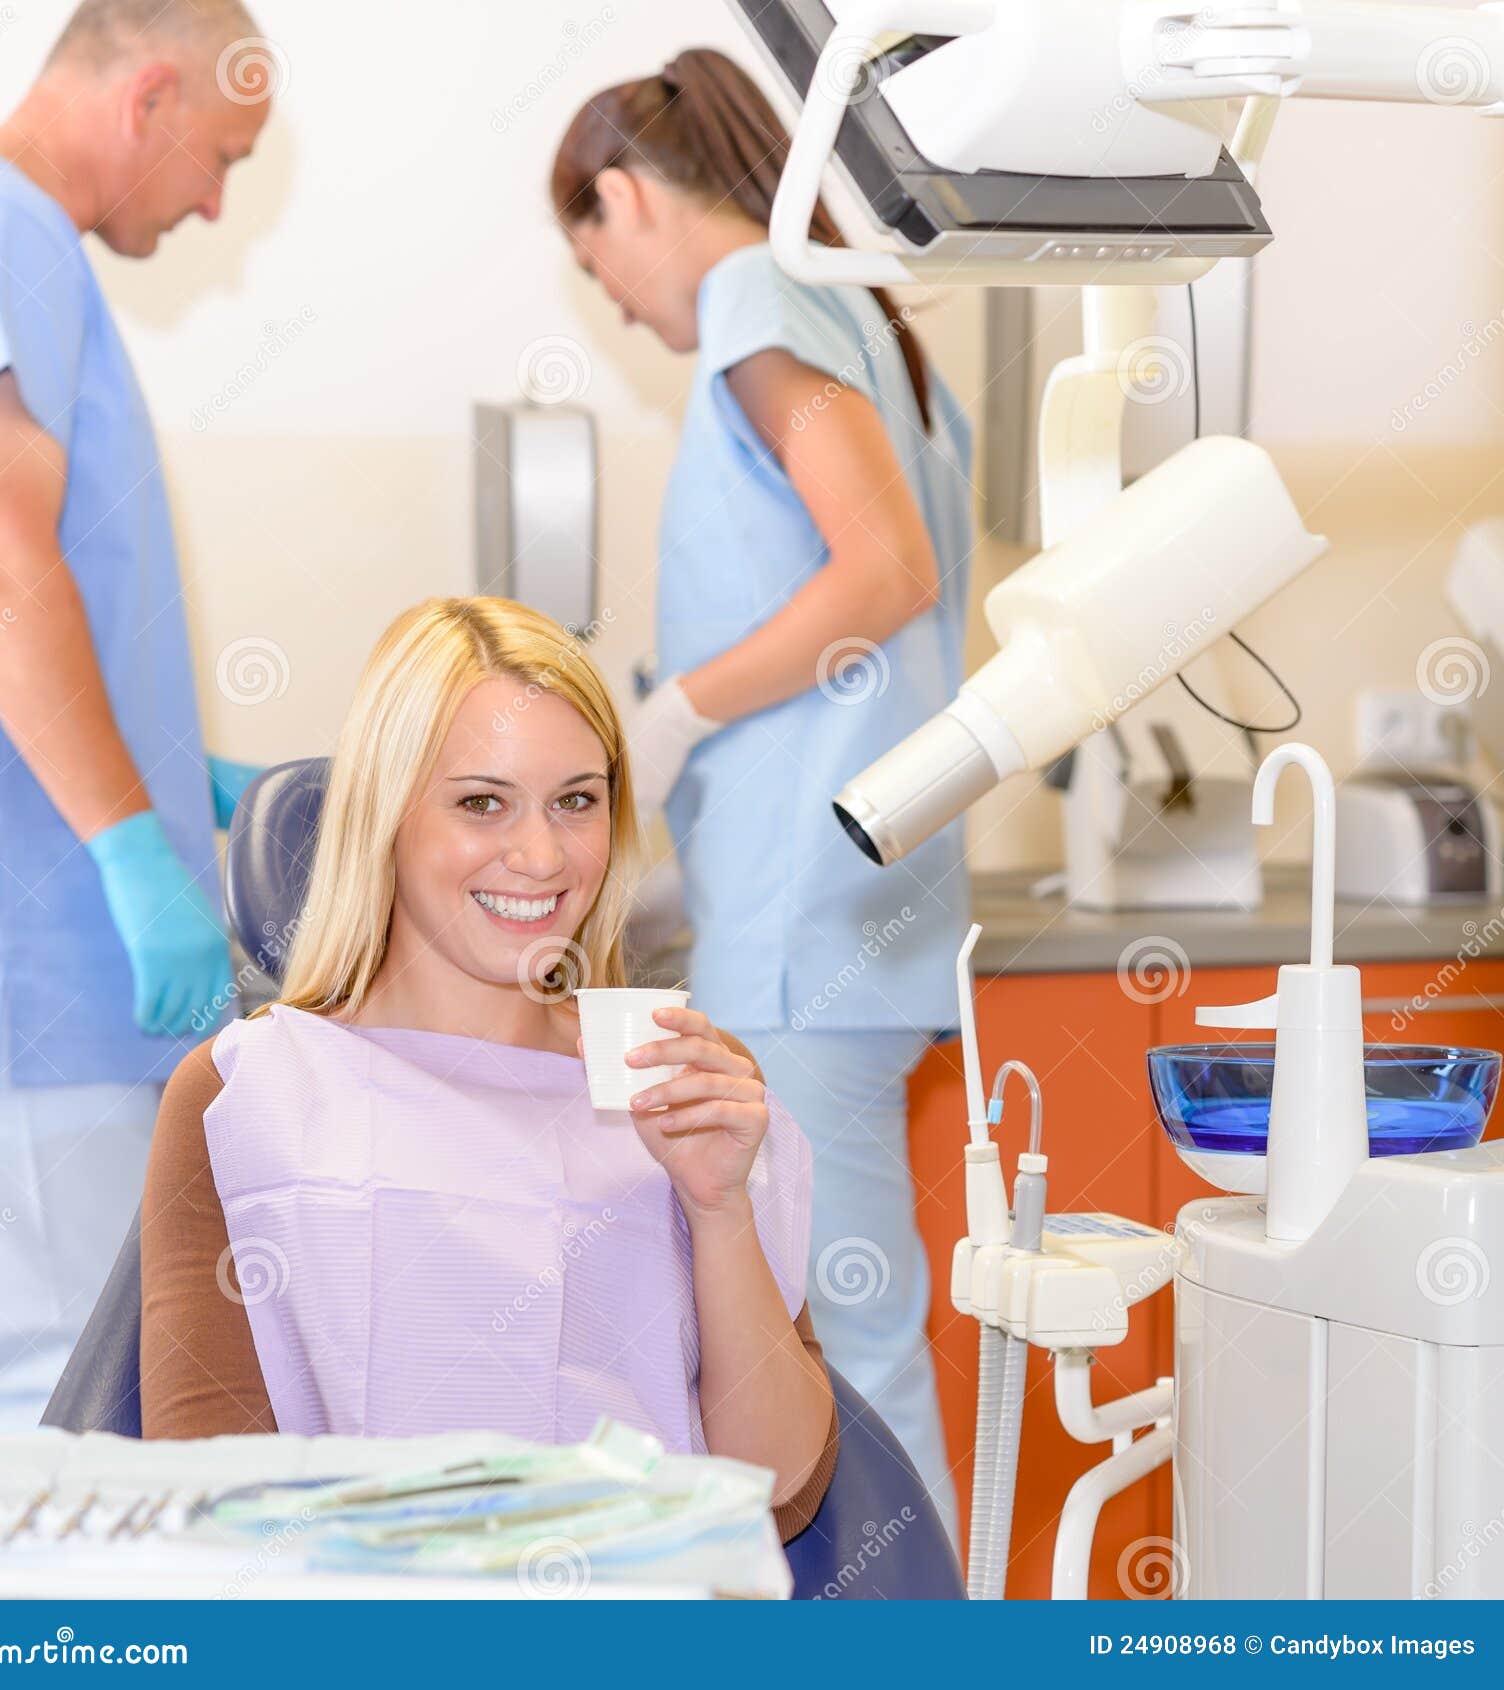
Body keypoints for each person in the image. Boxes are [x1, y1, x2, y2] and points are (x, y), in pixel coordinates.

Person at [139, 597, 838, 1541]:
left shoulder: (676, 1075)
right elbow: (209, 1502)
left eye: (576, 801)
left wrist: (719, 1213)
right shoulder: (248, 1093)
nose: (542, 857)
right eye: (482, 802)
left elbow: (777, 1489)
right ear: (385, 815)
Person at [551, 48, 973, 1540]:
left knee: (839, 1347)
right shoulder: (860, 314)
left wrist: (675, 713)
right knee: (840, 1329)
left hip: (811, 925)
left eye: (598, 267)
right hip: (845, 908)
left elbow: (884, 571)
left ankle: (906, 1632)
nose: (619, 307)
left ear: (623, 196)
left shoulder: (755, 295)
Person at [0, 0, 273, 1433]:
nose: (214, 203)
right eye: (222, 157)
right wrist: (130, 846)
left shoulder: (3, 246)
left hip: (23, 975)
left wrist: (179, 772)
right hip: (19, 976)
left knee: (10, 1425)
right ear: (149, 94)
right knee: (40, 1430)